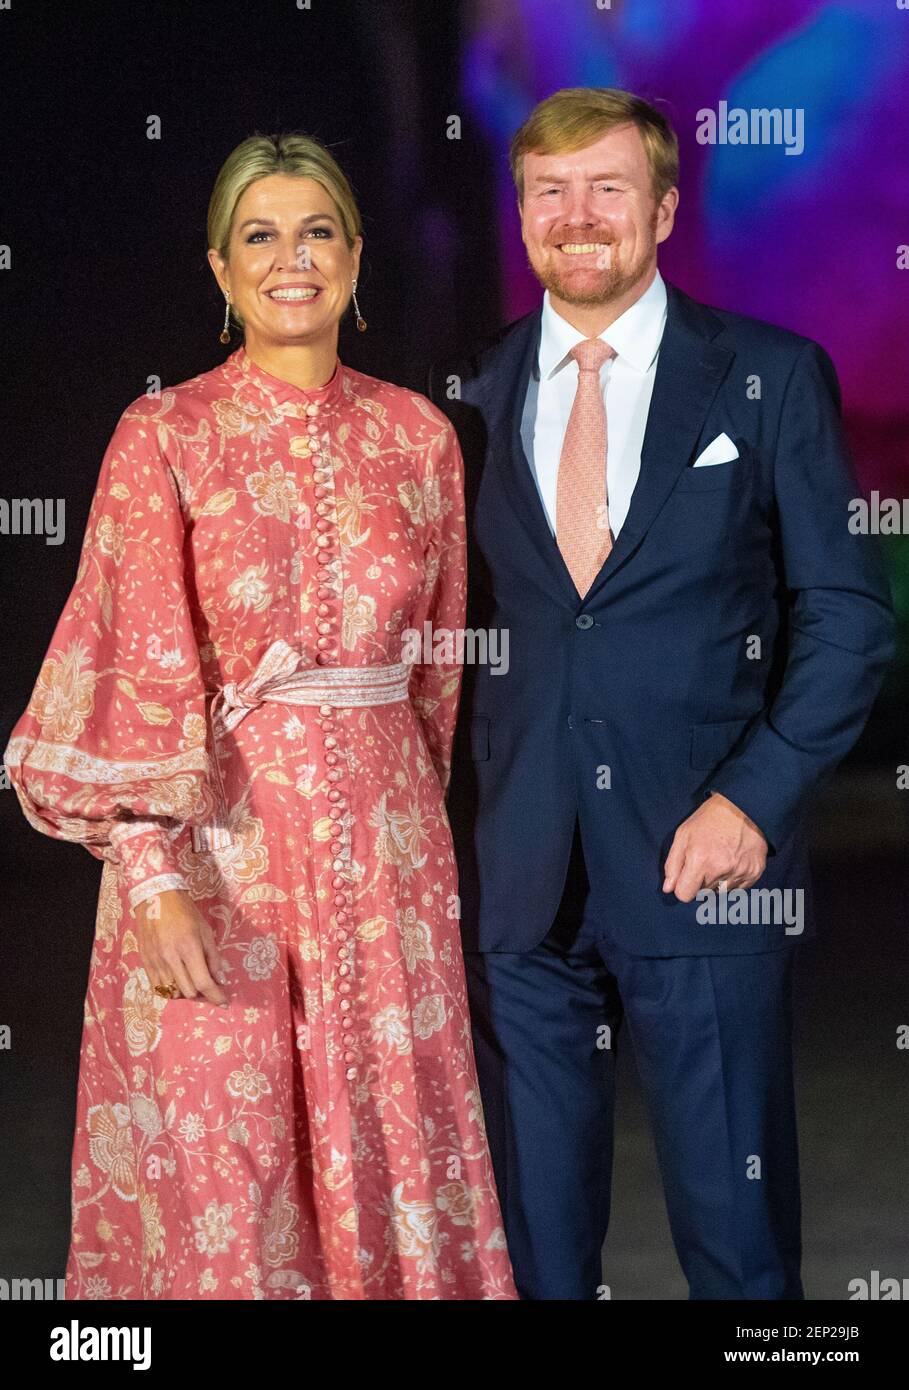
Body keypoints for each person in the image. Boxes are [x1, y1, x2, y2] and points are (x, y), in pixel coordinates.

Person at [5, 132, 517, 1301]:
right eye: (261, 236)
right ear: (221, 274)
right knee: (227, 1164)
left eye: (318, 231)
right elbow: (124, 664)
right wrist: (150, 874)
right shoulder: (163, 436)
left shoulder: (418, 438)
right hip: (218, 864)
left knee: (389, 1146)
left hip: (385, 872)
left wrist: (405, 837)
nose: (294, 259)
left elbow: (436, 672)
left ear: (355, 258)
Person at [427, 87, 895, 1300]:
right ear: (520, 212)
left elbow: (846, 618)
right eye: (550, 192)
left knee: (739, 1253)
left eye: (608, 189)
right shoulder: (465, 397)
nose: (577, 218)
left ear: (666, 209)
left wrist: (755, 801)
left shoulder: (770, 376)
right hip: (520, 881)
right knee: (535, 1254)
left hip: (711, 866)